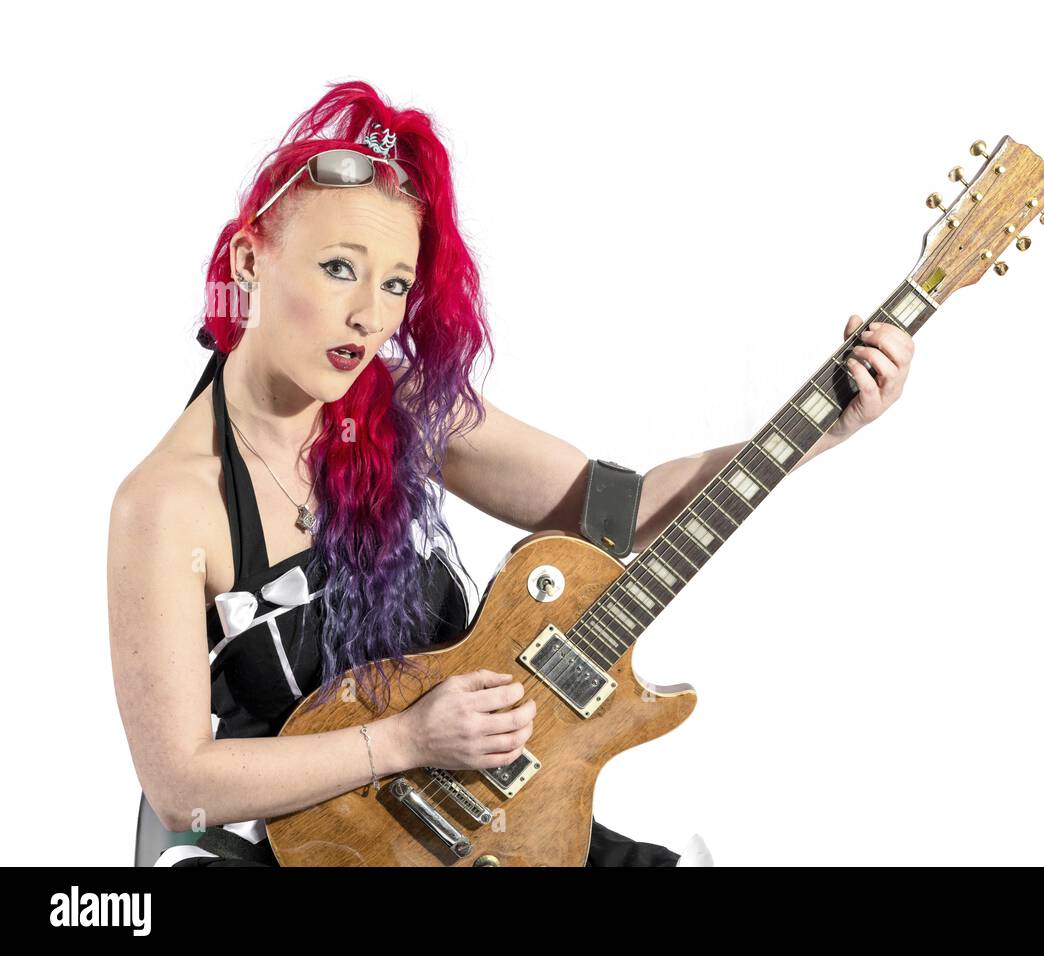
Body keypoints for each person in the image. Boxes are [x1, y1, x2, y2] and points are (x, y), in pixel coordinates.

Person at [106, 80, 914, 868]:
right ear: (250, 258)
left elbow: (620, 513)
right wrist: (405, 738)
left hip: (484, 824)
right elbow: (180, 786)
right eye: (338, 268)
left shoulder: (407, 409)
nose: (371, 316)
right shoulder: (170, 504)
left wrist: (821, 428)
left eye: (395, 284)